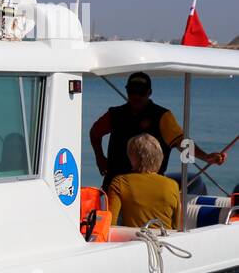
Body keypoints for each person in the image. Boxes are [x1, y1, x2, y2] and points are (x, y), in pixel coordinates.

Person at [89, 71, 226, 191]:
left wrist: (206, 157)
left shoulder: (162, 116)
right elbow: (94, 133)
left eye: (141, 92)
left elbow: (182, 142)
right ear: (127, 91)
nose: (136, 96)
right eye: (132, 91)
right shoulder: (115, 114)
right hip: (115, 185)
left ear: (149, 92)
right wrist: (99, 158)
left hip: (148, 188)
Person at [106, 133, 182, 230]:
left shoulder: (120, 182)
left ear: (133, 158)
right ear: (160, 157)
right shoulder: (173, 185)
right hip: (166, 241)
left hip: (136, 241)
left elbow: (110, 224)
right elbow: (177, 226)